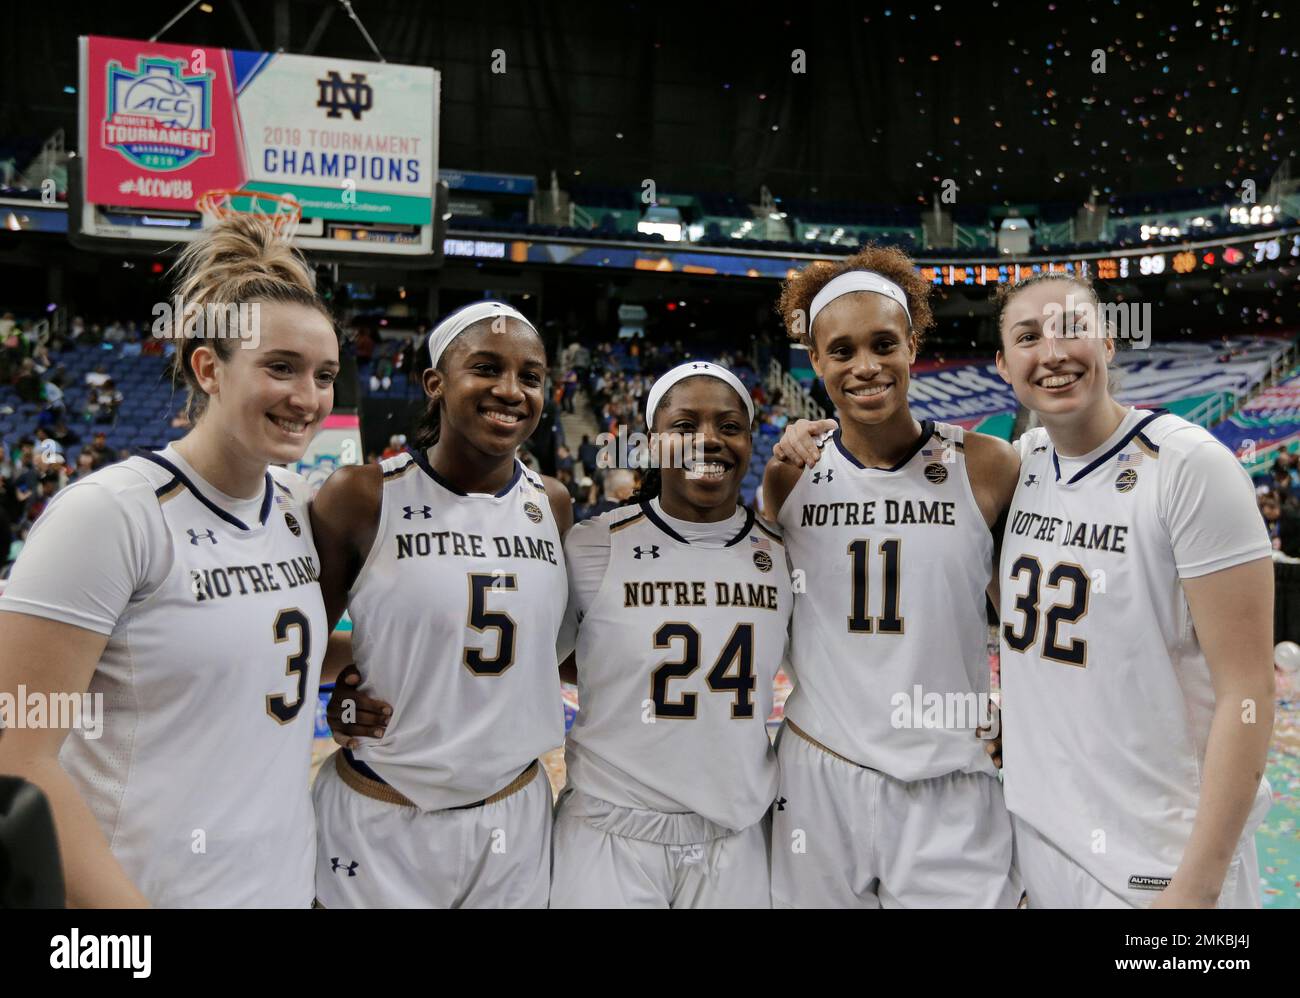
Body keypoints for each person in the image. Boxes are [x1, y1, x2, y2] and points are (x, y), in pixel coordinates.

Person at [0, 213, 342, 906]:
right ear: (209, 368)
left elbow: (256, 650)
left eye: (325, 374)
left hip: (279, 887)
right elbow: (17, 754)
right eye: (280, 368)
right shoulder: (109, 515)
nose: (307, 397)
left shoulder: (301, 506)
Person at [993, 272, 1275, 908]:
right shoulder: (1019, 467)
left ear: (1110, 343)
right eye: (1028, 337)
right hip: (1038, 850)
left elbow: (1249, 691)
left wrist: (1196, 888)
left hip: (1163, 864)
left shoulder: (1188, 467)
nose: (1052, 353)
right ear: (1005, 364)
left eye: (1071, 329)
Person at [763, 246, 1021, 908]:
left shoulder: (988, 465)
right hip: (821, 775)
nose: (865, 366)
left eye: (883, 344)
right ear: (815, 362)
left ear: (912, 344)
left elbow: (1025, 626)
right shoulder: (789, 475)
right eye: (841, 351)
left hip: (951, 780)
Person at [311, 301, 572, 908]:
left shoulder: (553, 504)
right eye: (485, 369)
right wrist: (349, 686)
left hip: (511, 814)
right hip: (379, 808)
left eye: (529, 377)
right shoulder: (361, 496)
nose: (510, 391)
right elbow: (297, 647)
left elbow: (548, 649)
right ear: (436, 383)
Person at [550, 362, 792, 908]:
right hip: (610, 833)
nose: (708, 441)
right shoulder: (594, 543)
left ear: (751, 440)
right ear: (651, 441)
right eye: (684, 426)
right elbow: (535, 659)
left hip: (734, 834)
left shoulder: (780, 554)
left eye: (729, 426)